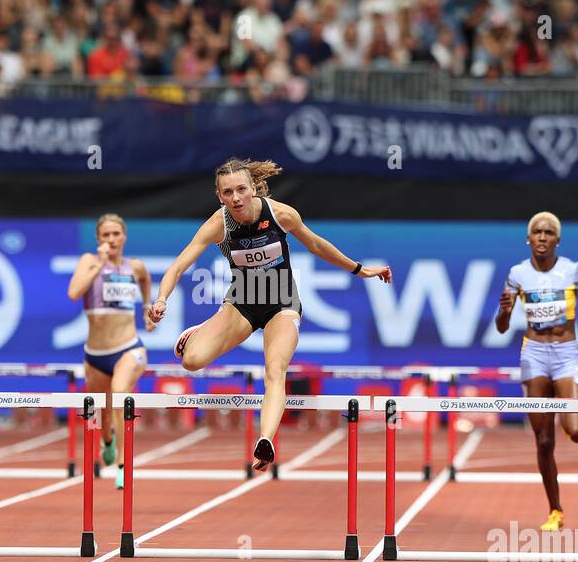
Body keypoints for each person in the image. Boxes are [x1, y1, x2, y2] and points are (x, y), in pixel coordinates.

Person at [146, 158, 392, 471]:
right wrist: (162, 299)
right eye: (227, 192)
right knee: (191, 361)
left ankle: (266, 440)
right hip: (242, 302)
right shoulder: (218, 224)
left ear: (253, 190)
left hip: (282, 303)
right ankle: (201, 331)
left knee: (275, 370)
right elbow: (179, 265)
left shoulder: (281, 214)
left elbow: (316, 245)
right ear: (219, 196)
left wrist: (359, 269)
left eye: (240, 190)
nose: (235, 198)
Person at [495, 212, 578, 532]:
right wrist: (505, 310)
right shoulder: (517, 274)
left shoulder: (573, 271)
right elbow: (502, 327)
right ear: (528, 239)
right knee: (543, 441)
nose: (543, 237)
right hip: (533, 355)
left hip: (565, 355)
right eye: (537, 232)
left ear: (558, 240)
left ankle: (565, 413)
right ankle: (555, 510)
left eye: (549, 232)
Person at [66, 214, 153, 489]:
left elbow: (145, 280)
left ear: (124, 237)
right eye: (106, 235)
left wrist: (147, 308)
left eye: (116, 234)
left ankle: (123, 466)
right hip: (95, 354)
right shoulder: (89, 262)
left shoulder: (134, 266)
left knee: (119, 394)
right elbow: (74, 293)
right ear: (98, 240)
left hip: (129, 347)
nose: (111, 240)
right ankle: (108, 442)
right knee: (103, 411)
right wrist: (100, 264)